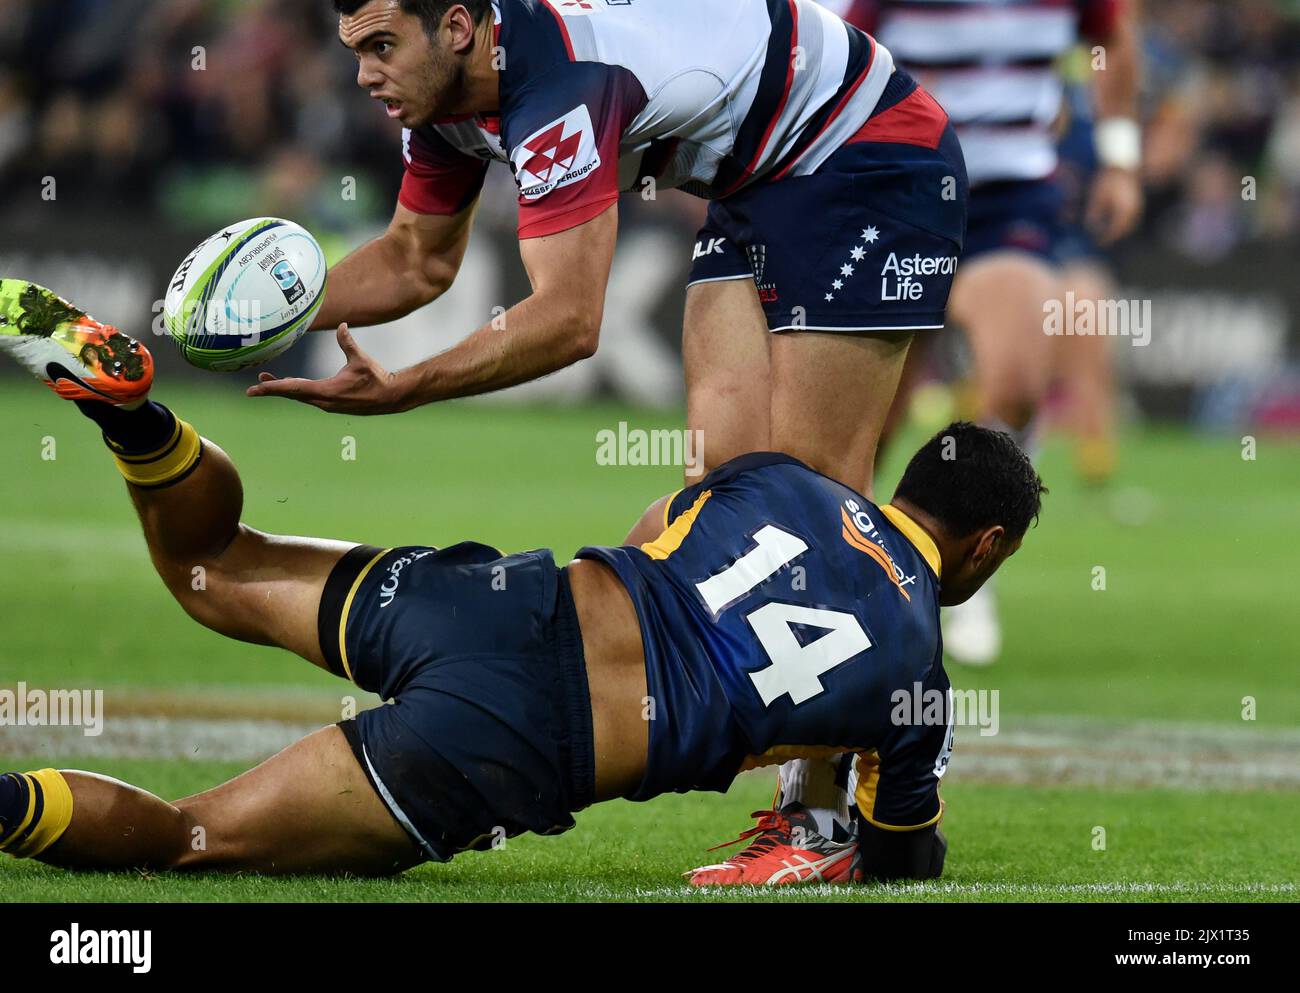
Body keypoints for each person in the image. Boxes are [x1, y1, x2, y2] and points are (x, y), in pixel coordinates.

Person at [0, 282, 1042, 881]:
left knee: (211, 566)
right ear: (987, 545)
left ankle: (137, 419)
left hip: (503, 599)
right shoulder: (917, 678)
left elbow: (647, 536)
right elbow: (905, 860)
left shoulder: (779, 481)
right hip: (512, 746)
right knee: (192, 836)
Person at [247, 0, 968, 499]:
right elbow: (414, 260)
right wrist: (261, 314)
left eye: (382, 48)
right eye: (356, 52)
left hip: (869, 150)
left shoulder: (559, 85)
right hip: (755, 178)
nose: (365, 77)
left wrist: (409, 386)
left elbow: (569, 320)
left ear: (458, 28)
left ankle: (897, 681)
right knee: (724, 484)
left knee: (819, 491)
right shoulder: (443, 100)